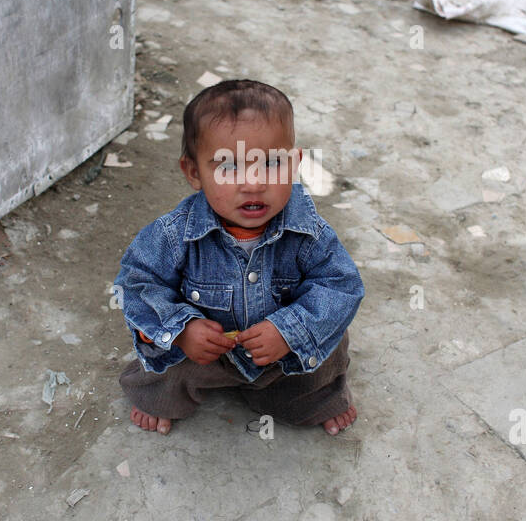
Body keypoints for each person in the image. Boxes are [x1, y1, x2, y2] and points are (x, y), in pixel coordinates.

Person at [115, 79, 363, 436]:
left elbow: (342, 286)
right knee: (162, 362)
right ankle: (166, 392)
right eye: (229, 167)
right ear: (193, 172)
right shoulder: (173, 235)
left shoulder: (310, 233)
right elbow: (136, 283)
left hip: (281, 354)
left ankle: (314, 396)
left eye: (271, 163)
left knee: (329, 349)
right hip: (207, 351)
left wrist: (289, 331)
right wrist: (182, 329)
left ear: (295, 164)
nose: (253, 183)